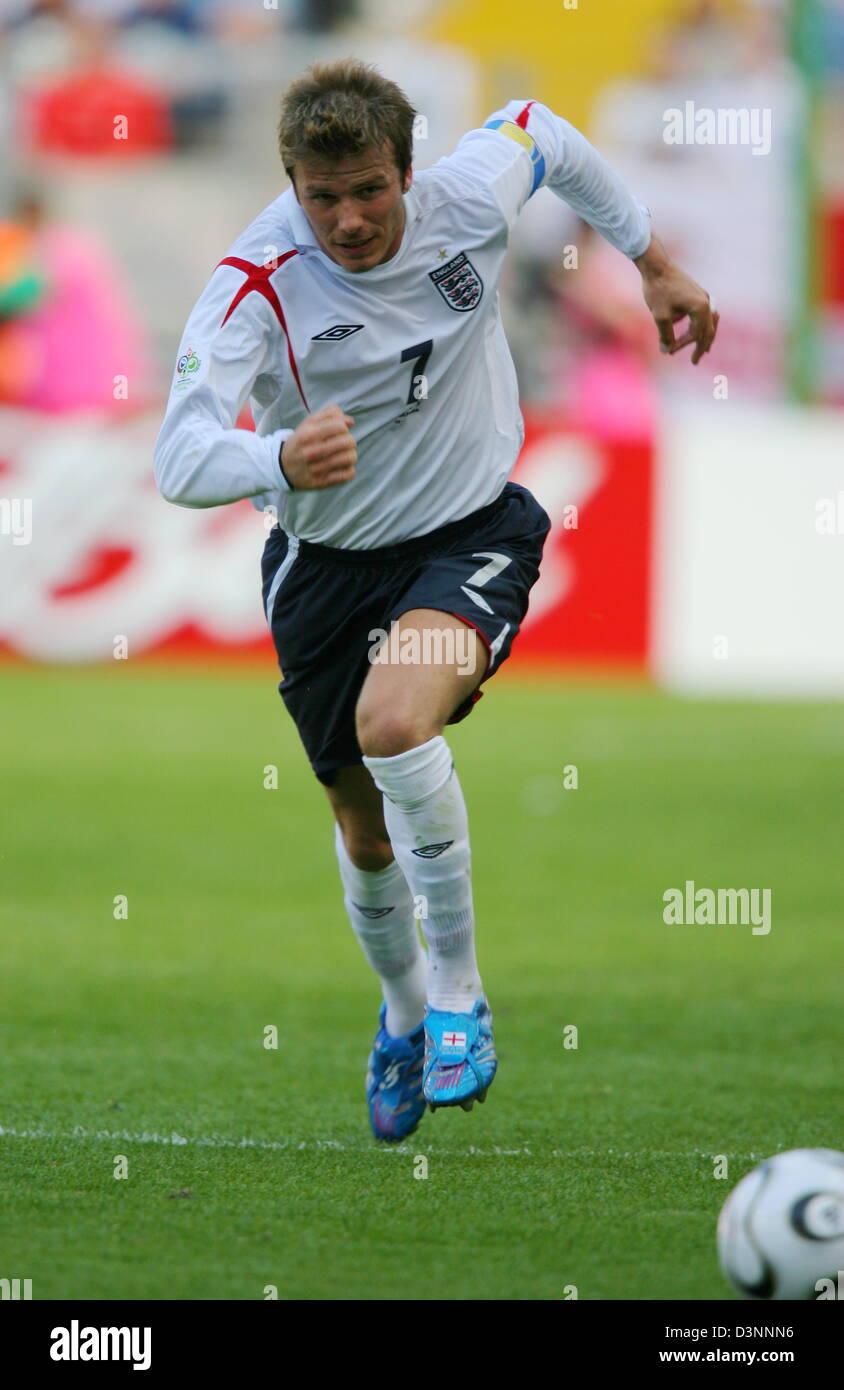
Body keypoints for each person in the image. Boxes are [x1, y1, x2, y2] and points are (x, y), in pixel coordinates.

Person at [153, 59, 718, 1142]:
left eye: (369, 189)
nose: (350, 219)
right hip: (325, 566)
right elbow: (177, 457)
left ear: (408, 169)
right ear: (291, 183)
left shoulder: (468, 191)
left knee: (395, 723)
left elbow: (540, 127)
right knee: (362, 832)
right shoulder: (254, 283)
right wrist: (273, 454)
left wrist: (649, 260)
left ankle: (459, 991)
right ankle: (404, 1010)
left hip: (469, 530)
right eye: (324, 197)